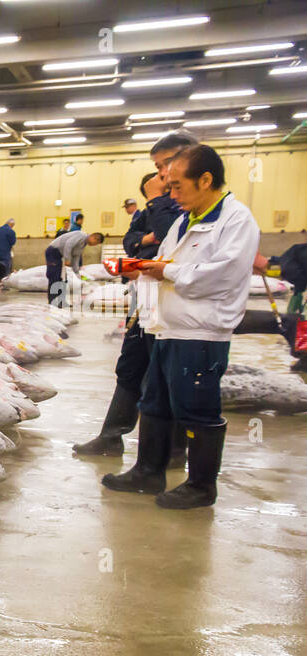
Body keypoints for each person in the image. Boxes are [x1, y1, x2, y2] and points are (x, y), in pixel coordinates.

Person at [103, 144, 259, 509]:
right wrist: (141, 267)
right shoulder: (184, 220)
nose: (172, 195)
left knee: (197, 409)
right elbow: (165, 260)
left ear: (206, 180)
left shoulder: (235, 220)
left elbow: (222, 276)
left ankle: (202, 487)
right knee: (154, 402)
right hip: (167, 329)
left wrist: (165, 270)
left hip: (200, 334)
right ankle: (147, 472)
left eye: (177, 186)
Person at [73, 131, 197, 457]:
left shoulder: (189, 206)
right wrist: (146, 240)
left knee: (163, 377)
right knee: (130, 368)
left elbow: (171, 236)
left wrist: (157, 202)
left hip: (171, 306)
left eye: (165, 166)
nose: (162, 174)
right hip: (144, 303)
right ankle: (111, 437)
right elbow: (131, 241)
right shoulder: (149, 212)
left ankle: (170, 450)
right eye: (158, 168)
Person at [45, 229, 103, 304]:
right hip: (53, 251)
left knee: (60, 278)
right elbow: (68, 244)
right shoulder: (81, 235)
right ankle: (52, 301)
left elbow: (76, 257)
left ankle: (59, 300)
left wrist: (77, 273)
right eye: (96, 242)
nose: (94, 245)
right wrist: (67, 259)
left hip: (59, 255)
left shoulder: (83, 244)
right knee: (54, 276)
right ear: (93, 237)